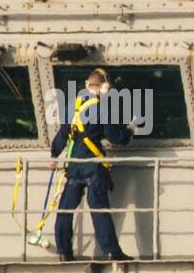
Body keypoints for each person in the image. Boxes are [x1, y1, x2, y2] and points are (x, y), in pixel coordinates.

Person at [48, 68, 136, 262]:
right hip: (93, 167)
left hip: (73, 166)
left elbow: (62, 135)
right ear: (104, 88)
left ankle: (64, 252)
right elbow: (115, 138)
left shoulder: (73, 106)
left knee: (65, 210)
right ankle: (112, 251)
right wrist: (129, 131)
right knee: (99, 209)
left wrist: (54, 156)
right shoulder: (102, 108)